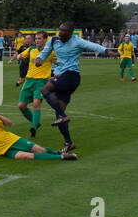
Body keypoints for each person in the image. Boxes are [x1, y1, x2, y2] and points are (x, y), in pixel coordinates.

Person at [35, 21, 112, 154]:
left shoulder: (77, 41)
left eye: (64, 31)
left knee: (45, 90)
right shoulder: (54, 40)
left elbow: (93, 46)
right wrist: (39, 59)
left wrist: (107, 51)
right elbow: (44, 53)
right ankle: (69, 143)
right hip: (61, 76)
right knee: (57, 114)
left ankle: (63, 116)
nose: (61, 33)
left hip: (71, 76)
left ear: (71, 33)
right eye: (60, 30)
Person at [0, 102, 77, 160]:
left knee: (41, 150)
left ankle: (57, 153)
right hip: (5, 151)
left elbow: (9, 123)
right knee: (27, 156)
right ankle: (62, 156)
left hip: (13, 141)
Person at [15, 31, 51, 137]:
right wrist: (19, 57)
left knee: (36, 104)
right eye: (36, 38)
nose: (37, 40)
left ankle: (33, 128)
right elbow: (20, 55)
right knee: (21, 106)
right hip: (29, 81)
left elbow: (59, 63)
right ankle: (36, 122)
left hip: (41, 82)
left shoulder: (50, 52)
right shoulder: (31, 49)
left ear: (45, 39)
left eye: (39, 38)